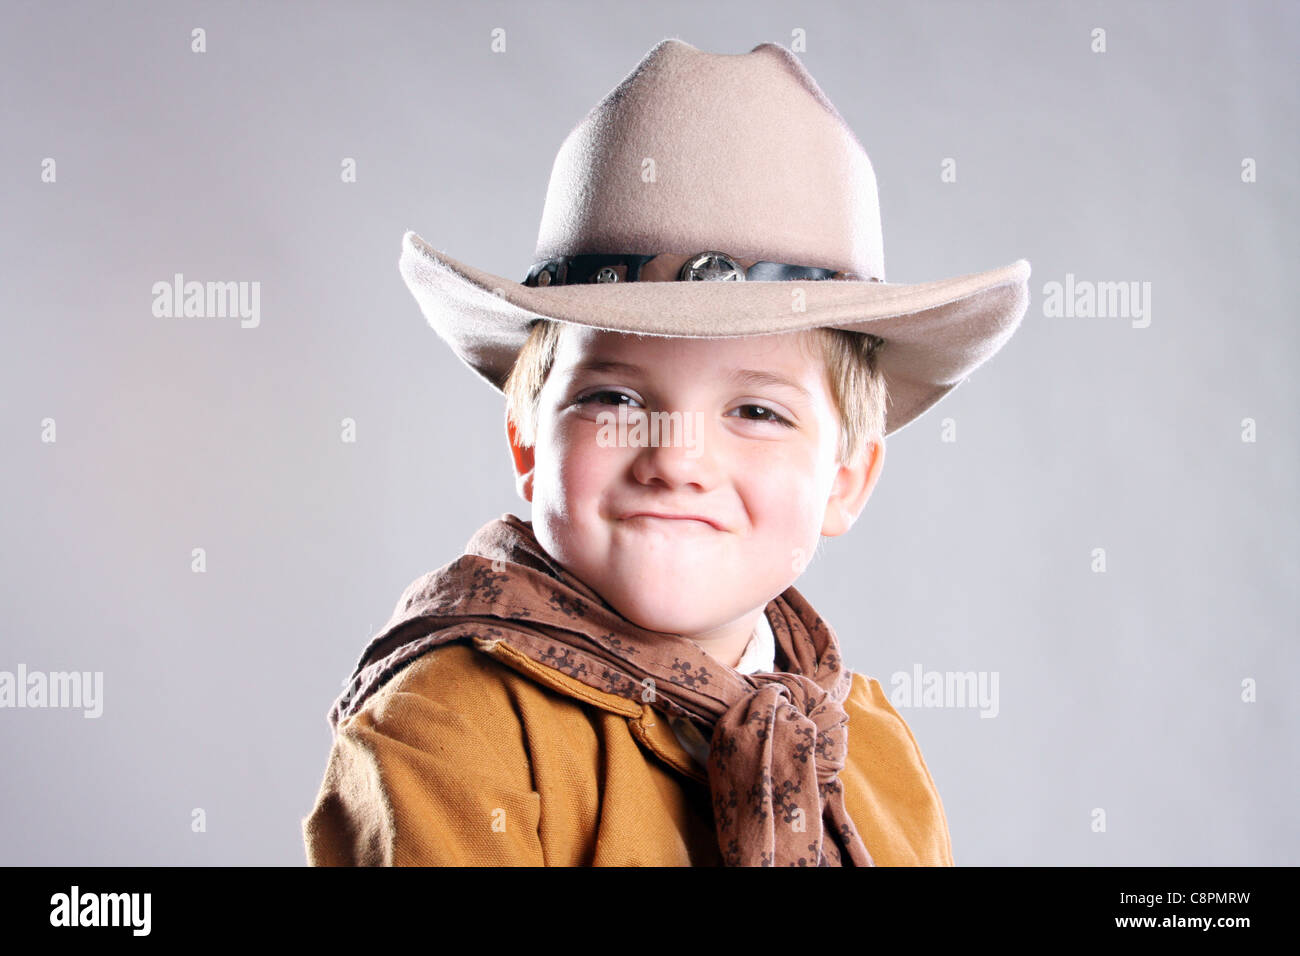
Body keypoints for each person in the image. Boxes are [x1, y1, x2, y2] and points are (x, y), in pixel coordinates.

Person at [302, 37, 1030, 866]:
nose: (676, 459)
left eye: (756, 411)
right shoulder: (447, 728)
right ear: (529, 443)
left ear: (847, 480)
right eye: (614, 398)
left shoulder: (870, 745)